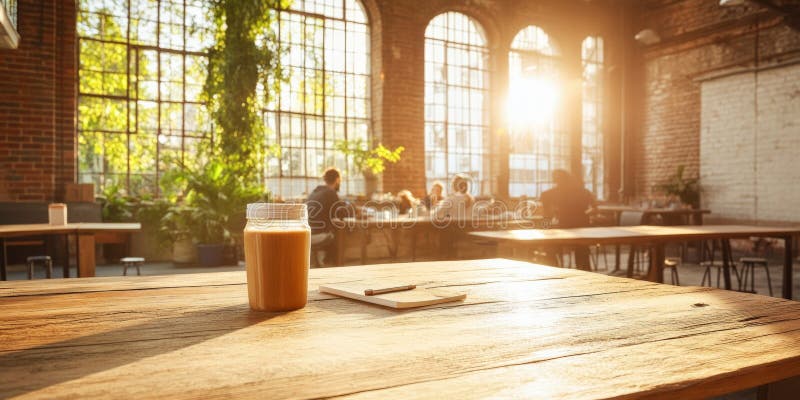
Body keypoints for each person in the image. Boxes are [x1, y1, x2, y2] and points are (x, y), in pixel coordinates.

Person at [539, 169, 596, 270]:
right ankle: (585, 273)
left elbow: (546, 215)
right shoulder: (584, 192)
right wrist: (585, 215)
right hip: (581, 230)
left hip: (561, 231)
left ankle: (554, 271)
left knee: (549, 248)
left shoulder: (548, 194)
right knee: (582, 249)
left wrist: (544, 230)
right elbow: (594, 208)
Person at [306, 167, 354, 264]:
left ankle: (325, 261)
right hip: (319, 234)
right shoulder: (330, 193)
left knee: (336, 230)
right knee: (341, 234)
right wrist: (353, 209)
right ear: (337, 180)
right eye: (340, 180)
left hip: (308, 233)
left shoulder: (315, 192)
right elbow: (341, 213)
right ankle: (336, 265)